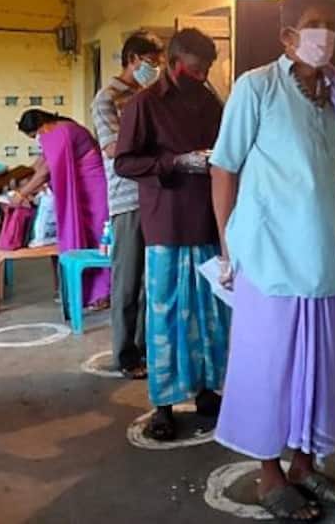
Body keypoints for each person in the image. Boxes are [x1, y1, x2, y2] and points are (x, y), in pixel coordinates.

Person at [210, 0, 335, 523]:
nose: (326, 34)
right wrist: (227, 245)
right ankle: (269, 471)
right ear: (287, 36)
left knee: (319, 367)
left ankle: (304, 462)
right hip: (268, 256)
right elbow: (223, 168)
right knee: (271, 366)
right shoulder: (257, 87)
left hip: (319, 256)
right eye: (315, 23)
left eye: (332, 23)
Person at [115, 28, 230, 439]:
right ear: (174, 63)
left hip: (207, 220)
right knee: (164, 315)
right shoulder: (143, 105)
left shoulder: (211, 101)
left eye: (208, 69)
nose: (202, 76)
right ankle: (163, 403)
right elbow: (124, 163)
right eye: (196, 69)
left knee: (209, 316)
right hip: (165, 223)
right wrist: (176, 162)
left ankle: (205, 390)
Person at [91, 30, 164, 379]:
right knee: (128, 281)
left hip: (157, 193)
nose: (155, 69)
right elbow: (112, 148)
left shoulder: (150, 95)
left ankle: (147, 349)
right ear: (133, 60)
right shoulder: (107, 99)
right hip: (128, 198)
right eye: (151, 63)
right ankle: (125, 355)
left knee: (153, 279)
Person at [14, 109, 111, 309]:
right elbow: (39, 165)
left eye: (35, 135)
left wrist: (22, 194)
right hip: (85, 187)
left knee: (99, 240)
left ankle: (104, 293)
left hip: (94, 187)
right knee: (86, 239)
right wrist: (18, 178)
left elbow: (46, 171)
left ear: (42, 125)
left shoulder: (59, 131)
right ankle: (85, 290)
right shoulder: (59, 129)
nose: (38, 139)